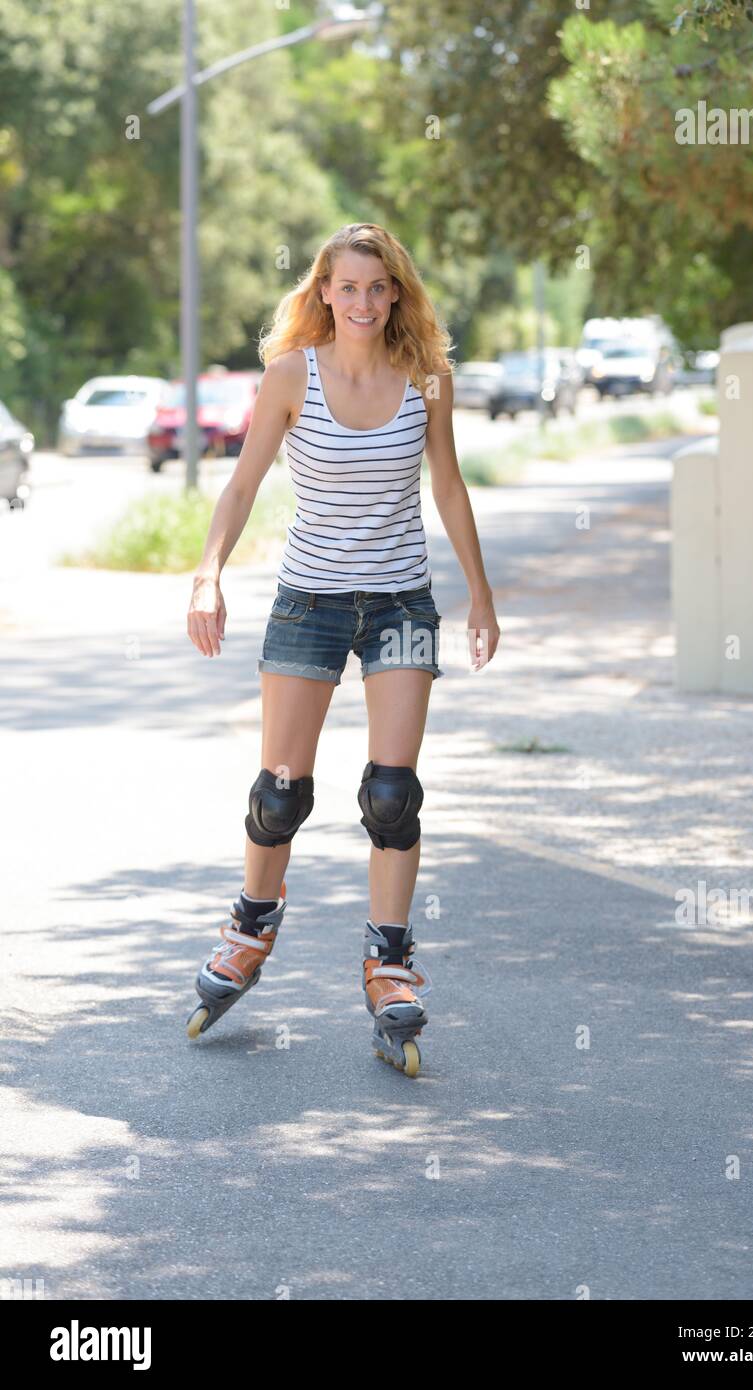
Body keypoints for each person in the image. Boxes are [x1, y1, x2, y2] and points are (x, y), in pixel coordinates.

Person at [184, 222, 500, 1075]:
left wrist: (479, 593)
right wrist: (208, 574)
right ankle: (250, 930)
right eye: (346, 286)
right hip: (308, 605)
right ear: (322, 291)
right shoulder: (290, 377)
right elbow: (243, 479)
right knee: (279, 794)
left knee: (392, 796)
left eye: (376, 286)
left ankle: (388, 963)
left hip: (401, 601)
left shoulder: (428, 380)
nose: (361, 301)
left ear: (395, 292)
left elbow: (448, 484)